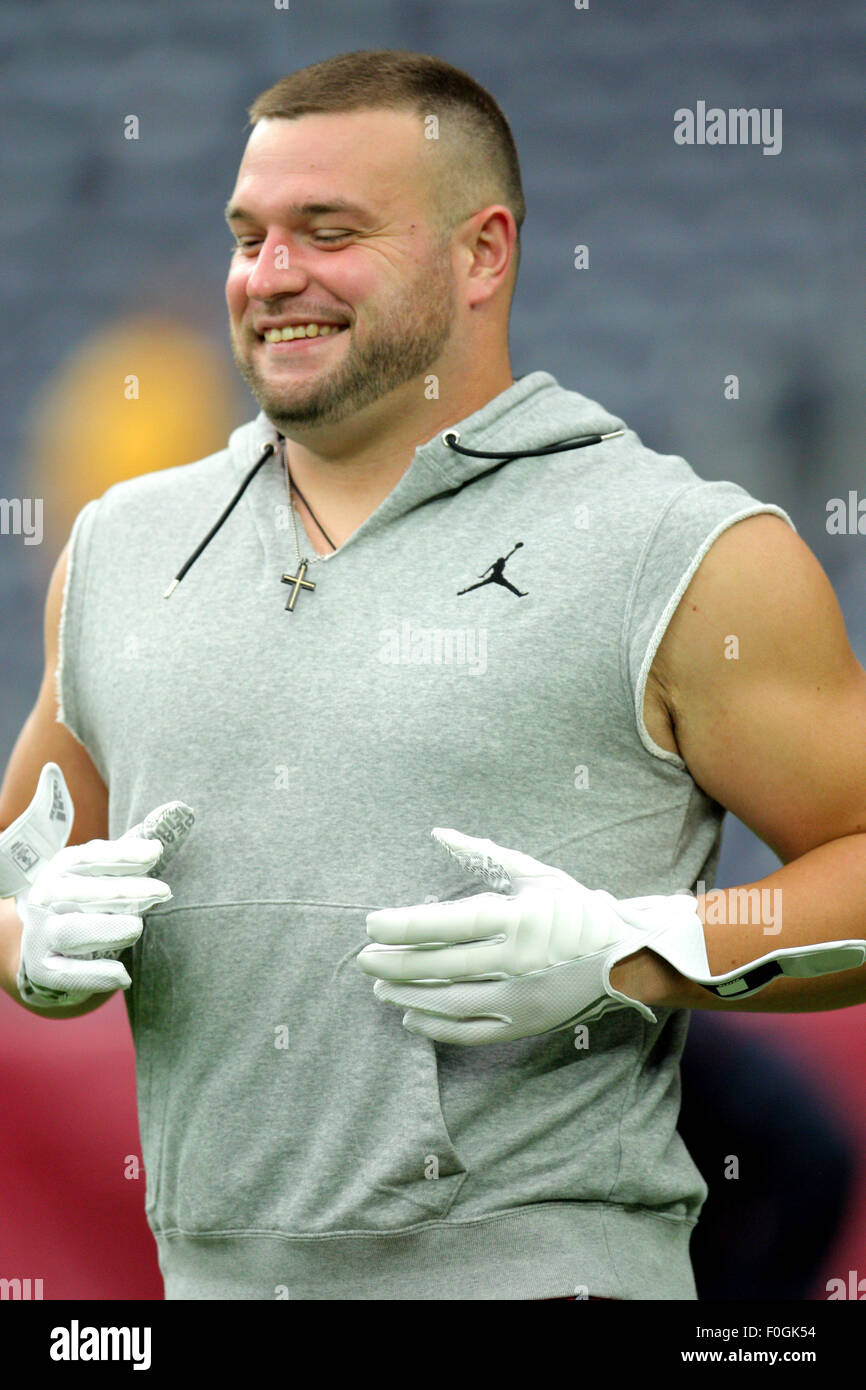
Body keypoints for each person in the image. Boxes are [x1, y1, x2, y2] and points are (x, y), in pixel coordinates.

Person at [2, 48, 865, 1303]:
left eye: (328, 230)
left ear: (483, 253)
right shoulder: (120, 548)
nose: (269, 272)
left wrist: (632, 944)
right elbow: (19, 857)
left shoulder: (680, 548)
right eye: (248, 234)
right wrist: (26, 935)